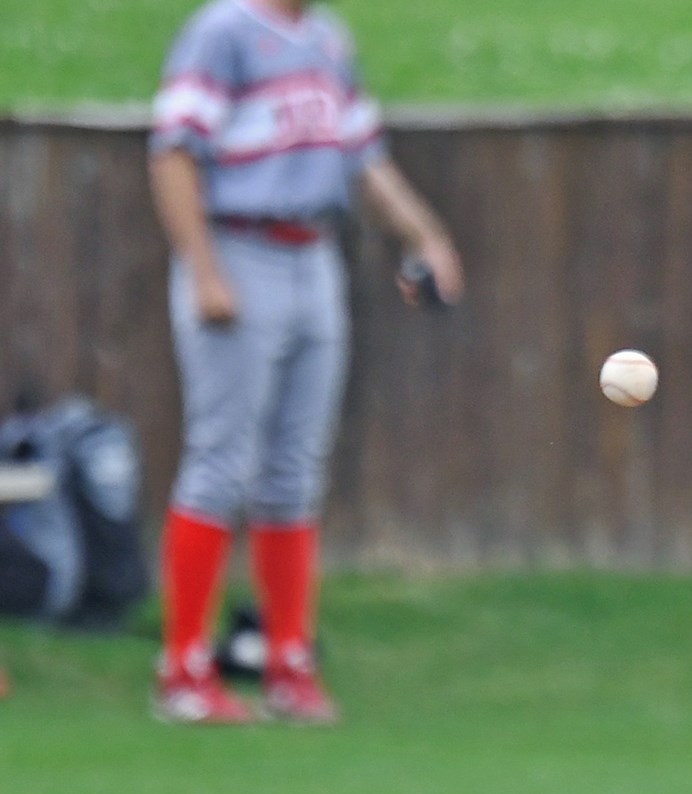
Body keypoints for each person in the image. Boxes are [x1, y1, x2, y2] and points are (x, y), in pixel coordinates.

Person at [148, 0, 463, 725]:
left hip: (311, 254)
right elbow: (171, 152)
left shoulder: (326, 37)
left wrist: (426, 236)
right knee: (219, 464)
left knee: (294, 469)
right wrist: (202, 269)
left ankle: (289, 662)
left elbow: (363, 156)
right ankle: (183, 668)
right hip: (238, 244)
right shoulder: (223, 31)